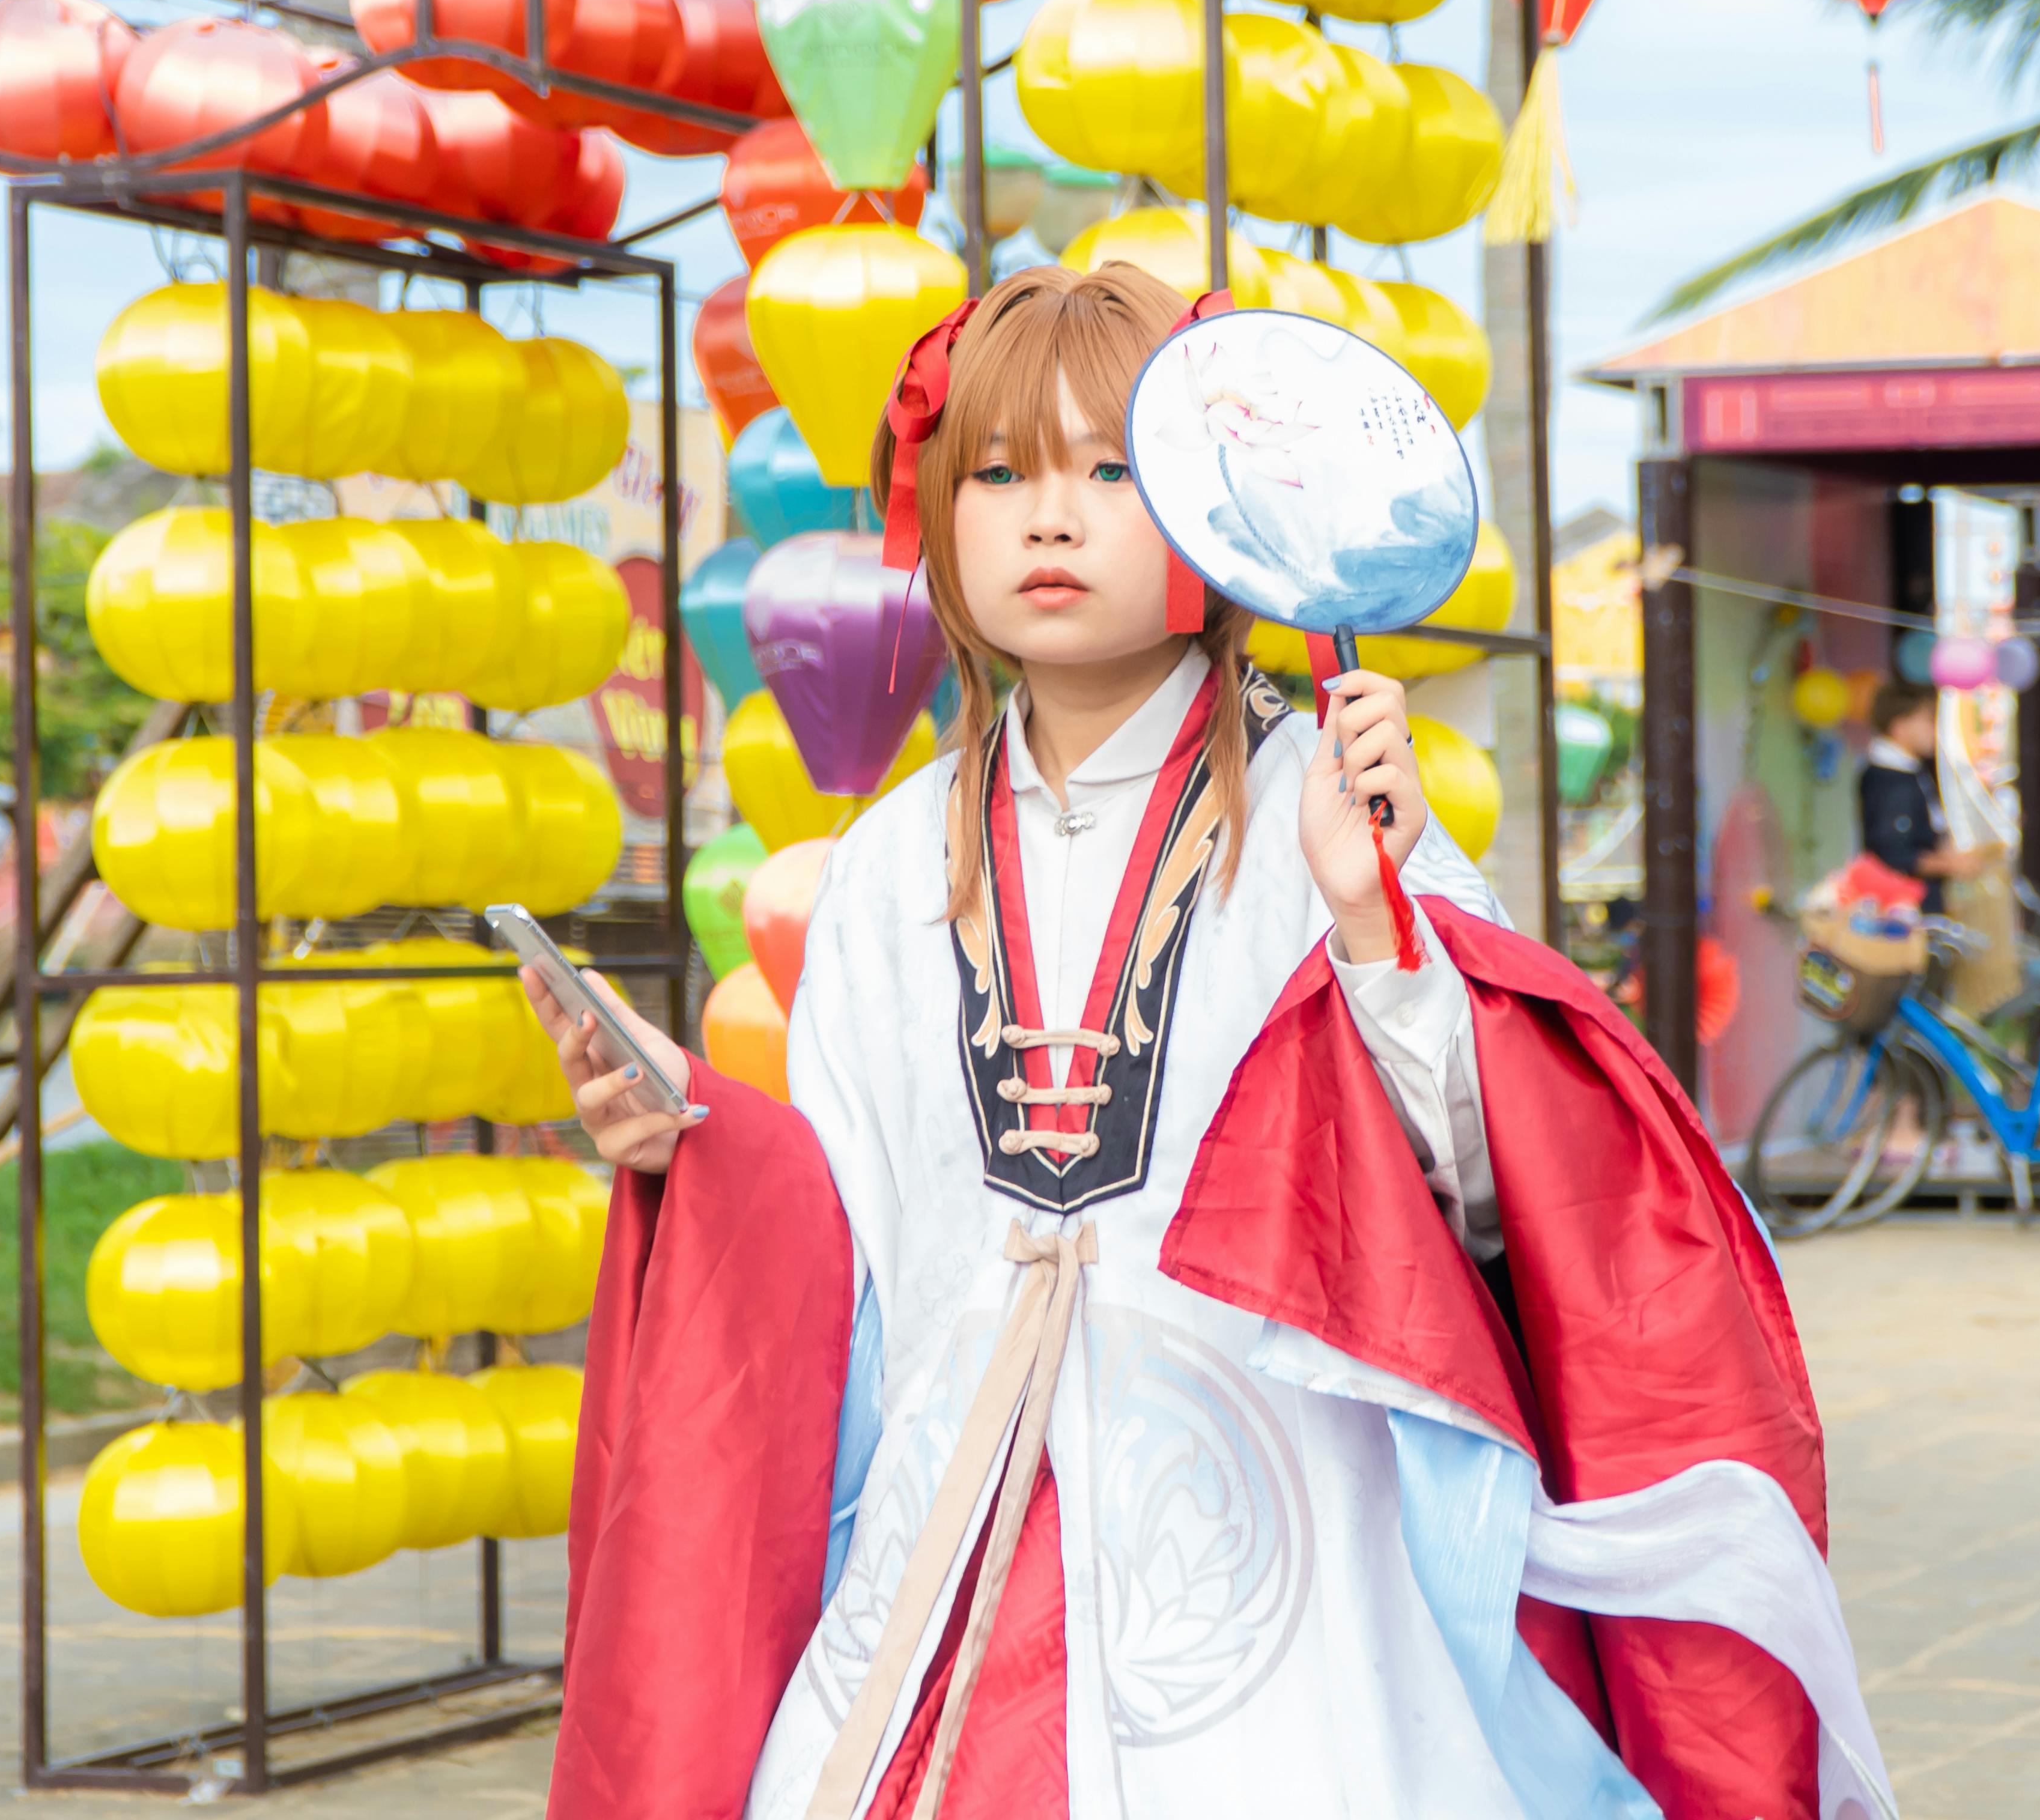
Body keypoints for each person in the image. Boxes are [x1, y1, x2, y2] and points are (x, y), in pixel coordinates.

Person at [529, 267, 1889, 1820]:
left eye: (1112, 470)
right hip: (949, 1532)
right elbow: (851, 1247)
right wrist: (693, 1143)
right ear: (942, 519)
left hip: (1277, 1526)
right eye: (1000, 472)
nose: (1052, 519)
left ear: (1213, 512)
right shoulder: (891, 867)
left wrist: (1378, 932)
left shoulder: (1333, 812)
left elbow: (1497, 1196)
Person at [1857, 679, 1988, 912]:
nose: (1935, 731)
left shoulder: (1911, 770)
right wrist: (1950, 864)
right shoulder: (1889, 780)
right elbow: (1892, 854)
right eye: (1929, 721)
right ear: (1900, 725)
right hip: (1903, 912)